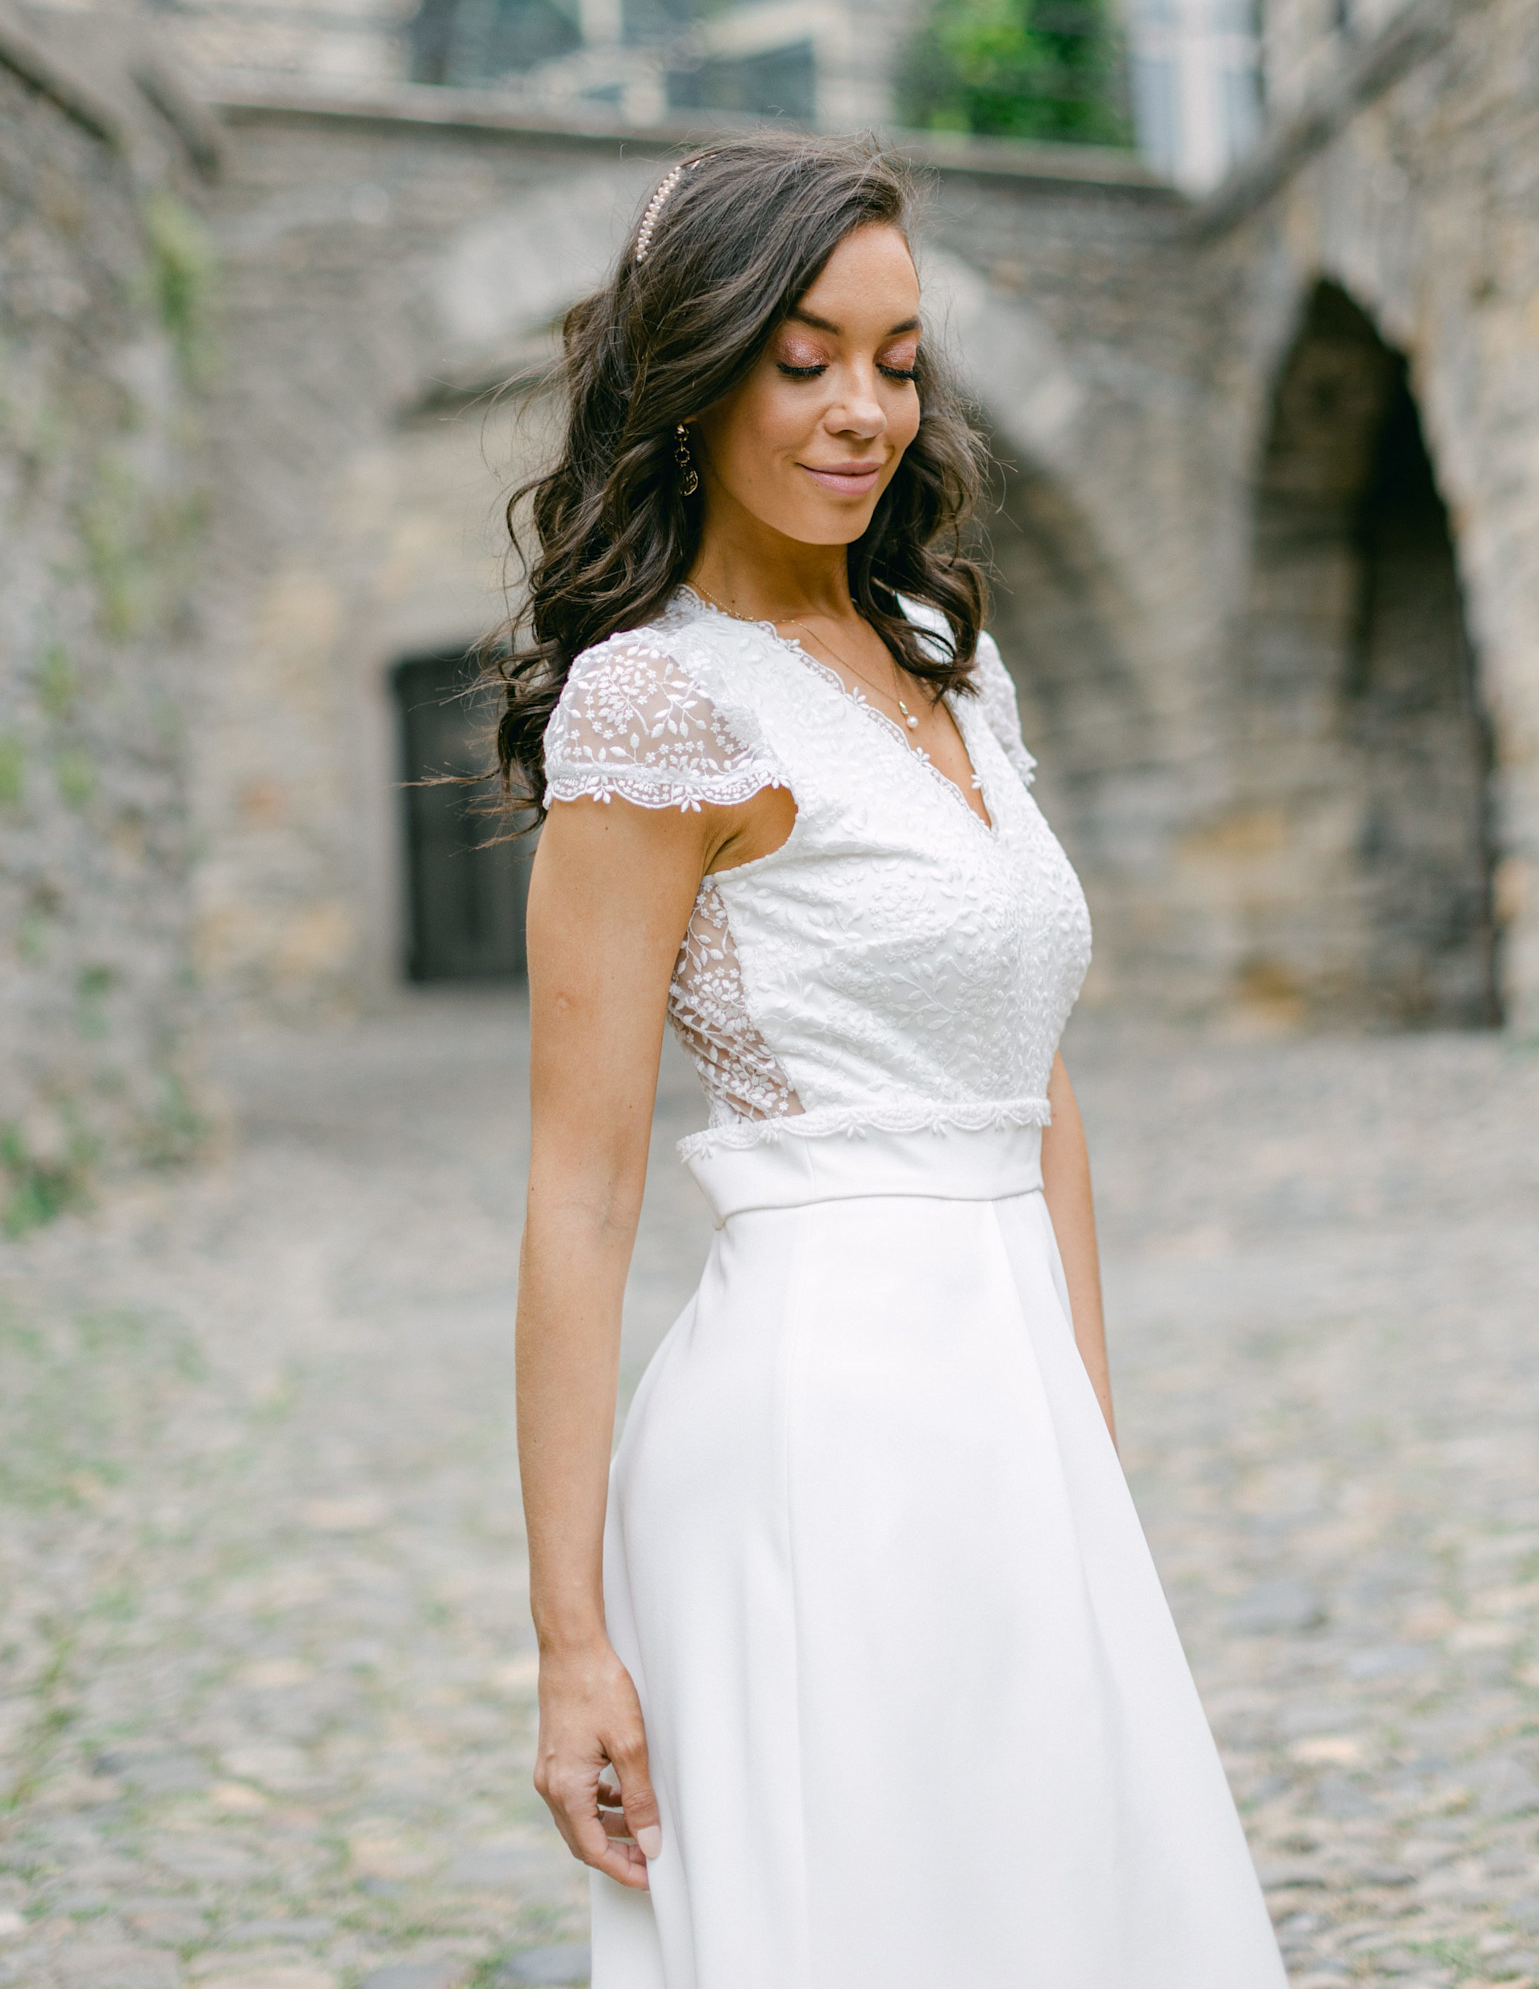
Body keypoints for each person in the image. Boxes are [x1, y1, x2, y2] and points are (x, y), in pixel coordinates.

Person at [498, 137, 1286, 1989]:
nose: (866, 410)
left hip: (1018, 1412)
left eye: (901, 361)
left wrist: (1085, 1433)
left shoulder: (948, 664)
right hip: (815, 1429)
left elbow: (1035, 1077)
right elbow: (581, 1192)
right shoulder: (654, 703)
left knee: (1072, 1903)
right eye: (806, 362)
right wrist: (570, 1643)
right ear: (695, 373)